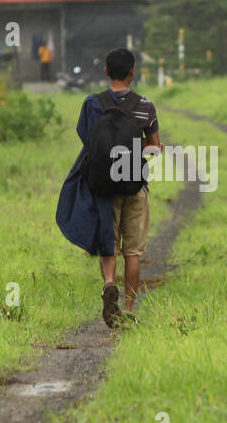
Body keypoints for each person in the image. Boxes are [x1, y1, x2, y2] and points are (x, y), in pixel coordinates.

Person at [55, 48, 161, 327]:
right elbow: (155, 147)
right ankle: (127, 309)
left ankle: (109, 283)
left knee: (109, 243)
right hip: (134, 183)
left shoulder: (92, 103)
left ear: (105, 71)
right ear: (132, 73)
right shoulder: (145, 106)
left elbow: (88, 141)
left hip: (104, 185)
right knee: (133, 251)